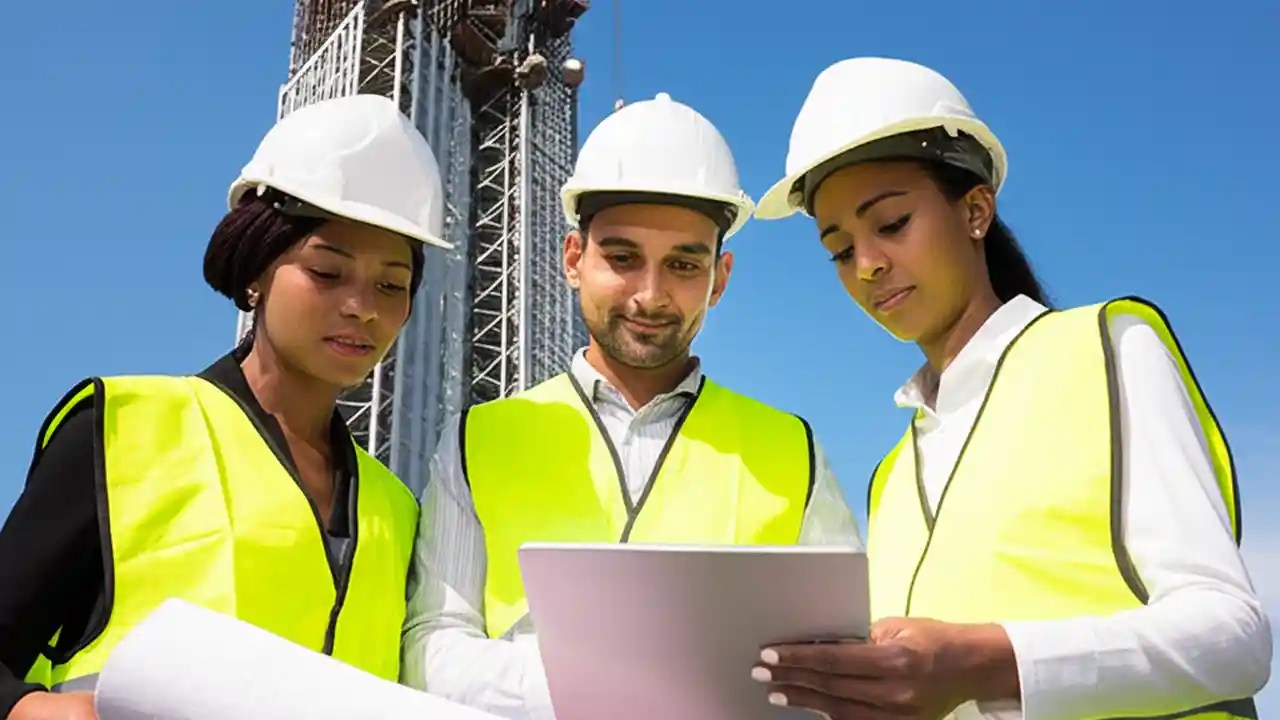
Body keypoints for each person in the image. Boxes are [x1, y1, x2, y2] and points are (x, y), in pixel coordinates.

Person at [747, 56, 1272, 720]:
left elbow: (1235, 640)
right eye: (841, 249)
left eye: (891, 224)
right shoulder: (892, 477)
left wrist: (983, 662)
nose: (869, 265)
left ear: (975, 210)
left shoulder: (1107, 348)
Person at [400, 92, 864, 719]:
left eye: (682, 264)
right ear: (574, 260)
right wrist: (608, 694)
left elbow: (836, 663)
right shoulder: (479, 438)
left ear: (719, 280)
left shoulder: (791, 450)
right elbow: (432, 646)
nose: (650, 295)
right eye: (622, 258)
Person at [0, 93, 451, 720]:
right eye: (327, 272)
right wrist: (30, 710)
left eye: (391, 285)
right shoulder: (123, 427)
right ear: (256, 270)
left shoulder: (399, 511)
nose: (362, 307)